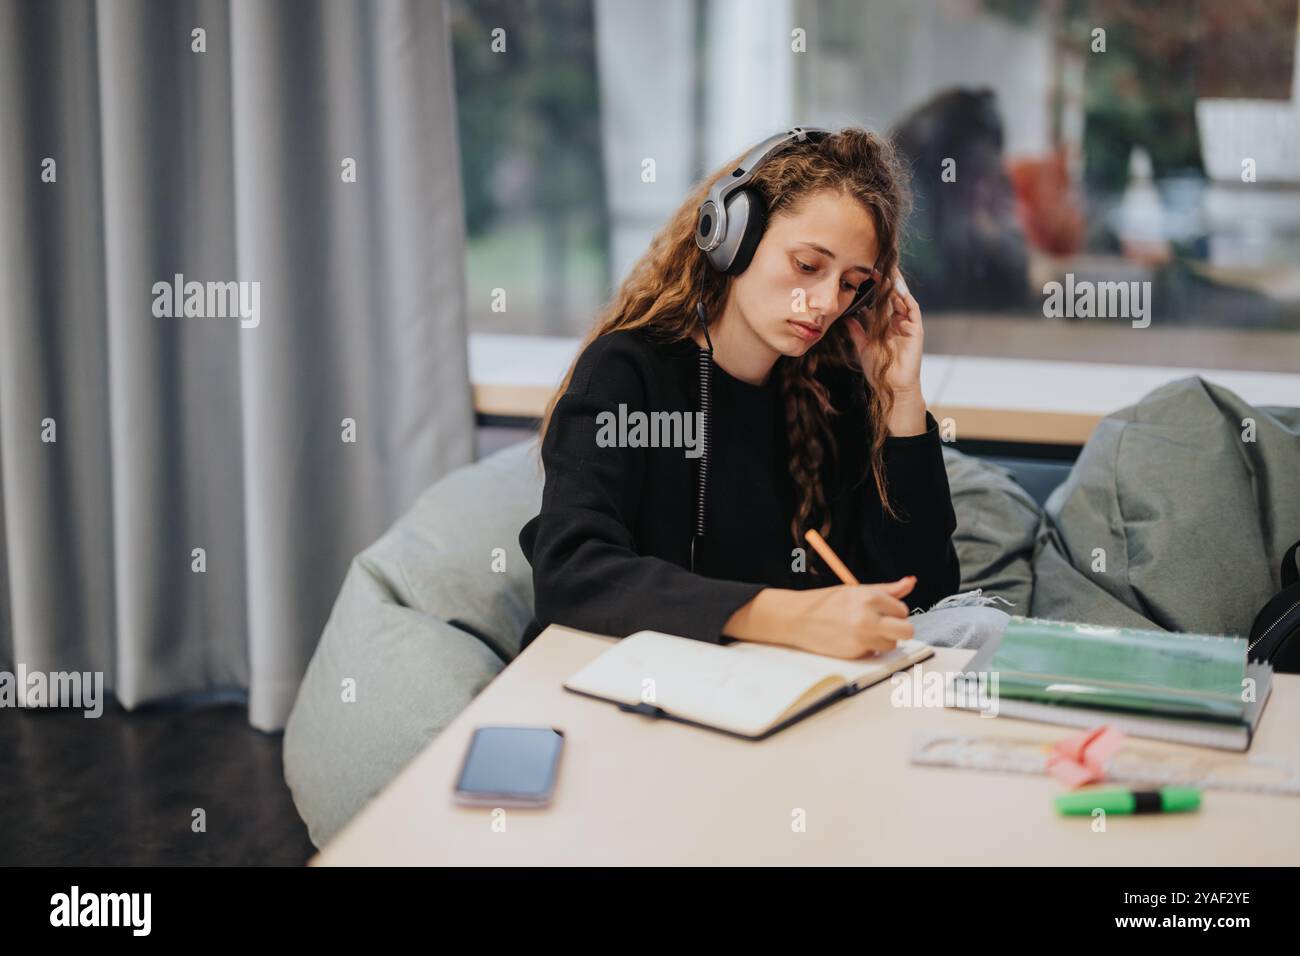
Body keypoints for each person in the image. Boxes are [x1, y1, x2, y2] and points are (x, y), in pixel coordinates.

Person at [518, 125, 1009, 659]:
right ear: (733, 237)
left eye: (850, 283)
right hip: (628, 683)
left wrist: (902, 398)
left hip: (774, 692)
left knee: (984, 634)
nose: (824, 303)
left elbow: (923, 599)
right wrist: (786, 615)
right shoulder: (629, 371)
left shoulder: (834, 390)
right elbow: (570, 572)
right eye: (807, 266)